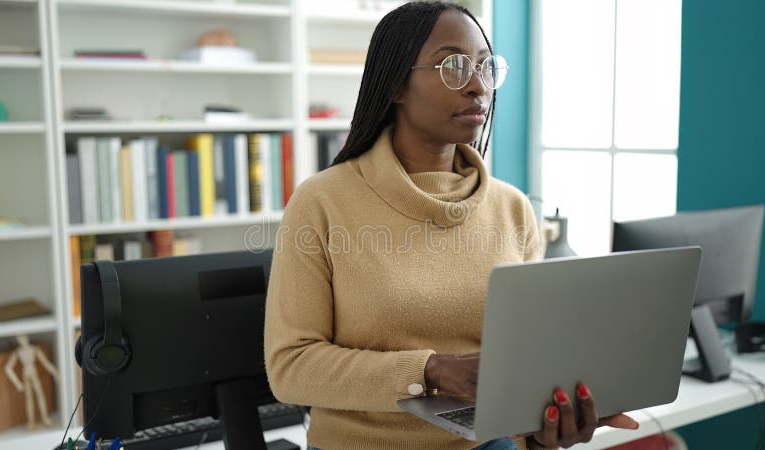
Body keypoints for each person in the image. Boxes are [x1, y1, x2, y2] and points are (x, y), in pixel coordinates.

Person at [264, 2, 639, 449]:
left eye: (485, 67)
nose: (478, 86)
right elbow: (291, 367)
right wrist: (433, 369)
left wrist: (544, 432)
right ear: (398, 83)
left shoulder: (512, 208)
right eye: (454, 67)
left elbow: (527, 363)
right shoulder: (322, 202)